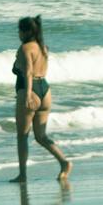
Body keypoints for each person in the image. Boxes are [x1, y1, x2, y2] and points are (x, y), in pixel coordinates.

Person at [10, 14, 71, 183]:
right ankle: (64, 162)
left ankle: (22, 175)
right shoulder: (43, 47)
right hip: (45, 89)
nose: (18, 33)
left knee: (22, 136)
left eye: (20, 30)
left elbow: (28, 72)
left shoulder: (25, 48)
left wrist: (28, 94)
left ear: (27, 31)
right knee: (41, 136)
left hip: (29, 90)